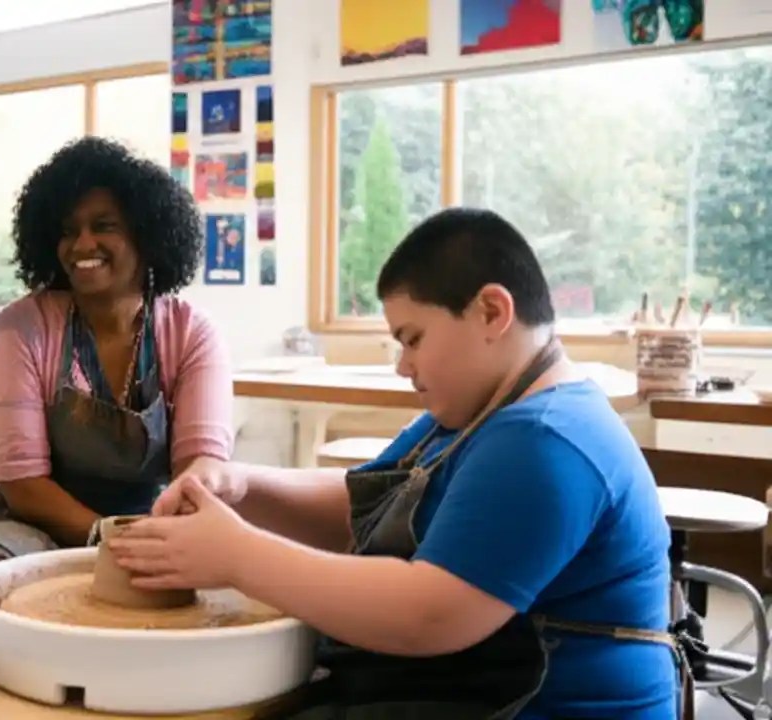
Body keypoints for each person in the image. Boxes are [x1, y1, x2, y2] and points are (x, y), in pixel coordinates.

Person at [110, 208, 680, 719]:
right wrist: (242, 486)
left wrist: (236, 556)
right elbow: (361, 505)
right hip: (462, 685)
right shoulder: (476, 413)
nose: (402, 366)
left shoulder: (546, 439)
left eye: (413, 338)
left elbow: (428, 614)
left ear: (491, 311)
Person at [0, 137, 234, 590]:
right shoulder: (22, 326)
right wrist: (106, 537)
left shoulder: (191, 333)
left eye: (104, 225)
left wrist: (156, 535)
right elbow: (21, 483)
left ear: (148, 235)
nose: (83, 243)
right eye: (68, 230)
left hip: (150, 522)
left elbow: (203, 467)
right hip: (29, 524)